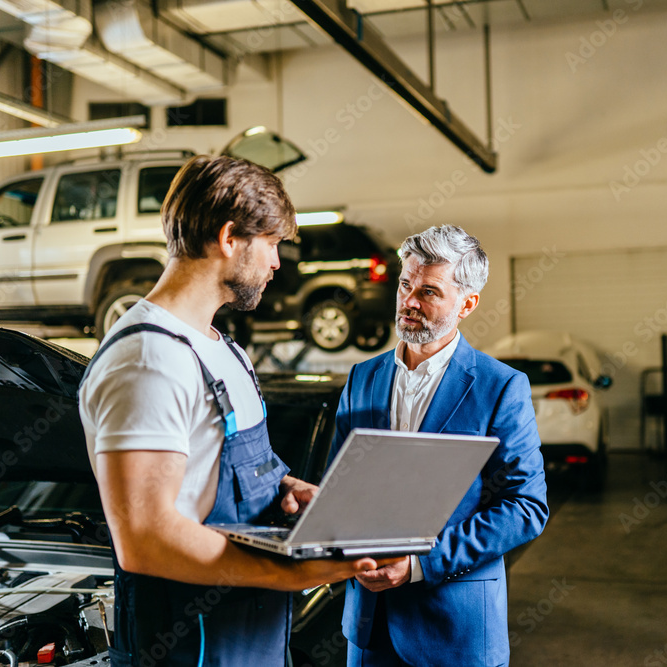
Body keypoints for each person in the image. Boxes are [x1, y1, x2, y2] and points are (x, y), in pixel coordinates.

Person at [79, 155, 391, 667]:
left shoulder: (223, 350)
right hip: (189, 646)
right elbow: (145, 538)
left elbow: (223, 469)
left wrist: (288, 489)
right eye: (271, 244)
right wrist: (292, 573)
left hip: (253, 635)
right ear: (228, 239)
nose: (276, 263)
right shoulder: (148, 359)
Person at [331, 225, 549, 667]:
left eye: (429, 291)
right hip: (368, 630)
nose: (409, 301)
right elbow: (338, 486)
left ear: (467, 303)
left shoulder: (500, 388)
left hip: (456, 631)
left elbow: (526, 507)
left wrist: (417, 565)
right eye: (405, 284)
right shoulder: (362, 379)